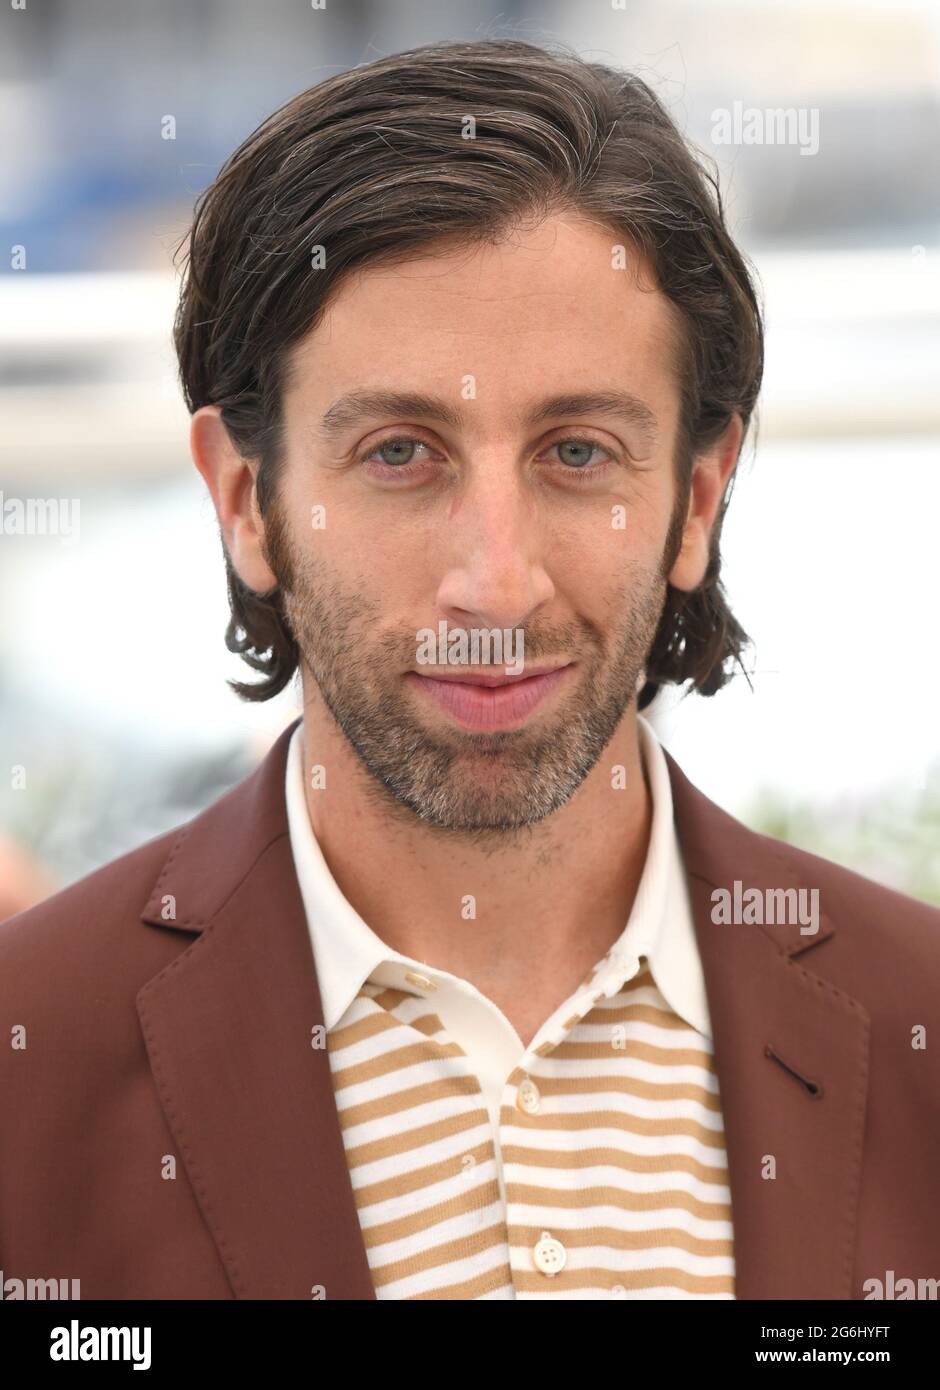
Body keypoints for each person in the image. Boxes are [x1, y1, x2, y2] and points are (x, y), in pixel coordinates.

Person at [1, 38, 937, 1302]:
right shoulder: (29, 1067)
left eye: (578, 452)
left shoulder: (915, 1025)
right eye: (399, 453)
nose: (496, 583)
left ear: (697, 499)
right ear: (245, 500)